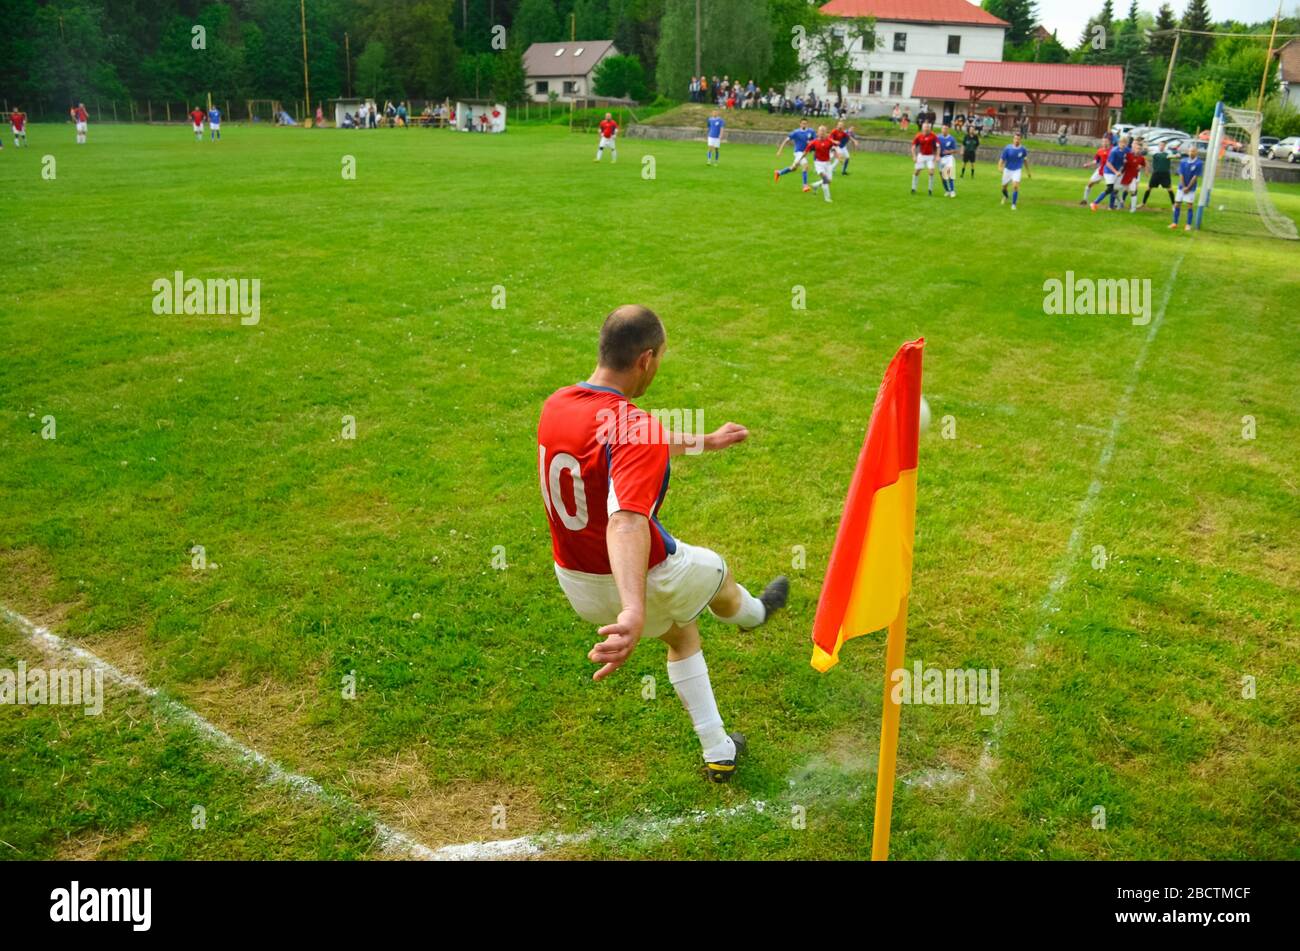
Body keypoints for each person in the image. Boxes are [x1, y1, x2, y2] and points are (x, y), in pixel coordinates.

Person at [537, 305, 789, 782]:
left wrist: (706, 442)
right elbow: (627, 522)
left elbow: (626, 440)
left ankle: (720, 750)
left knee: (677, 631)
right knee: (719, 577)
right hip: (639, 579)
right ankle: (755, 615)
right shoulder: (637, 428)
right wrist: (632, 610)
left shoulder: (558, 405)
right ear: (646, 360)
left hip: (575, 580)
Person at [1090, 135, 1130, 212]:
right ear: (1119, 142)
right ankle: (1094, 203)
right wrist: (1116, 172)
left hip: (1116, 172)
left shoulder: (1126, 149)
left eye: (1125, 143)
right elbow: (1108, 163)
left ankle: (1111, 206)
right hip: (1108, 172)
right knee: (1110, 189)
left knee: (1115, 189)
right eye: (1122, 142)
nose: (1124, 144)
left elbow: (1132, 152)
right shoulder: (1114, 151)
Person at [774, 118, 815, 191]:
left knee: (793, 168)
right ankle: (805, 186)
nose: (804, 125)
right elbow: (786, 140)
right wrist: (780, 150)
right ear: (800, 124)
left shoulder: (811, 131)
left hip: (805, 153)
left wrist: (812, 145)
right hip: (798, 152)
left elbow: (815, 141)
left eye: (805, 123)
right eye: (803, 123)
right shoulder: (796, 132)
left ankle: (778, 172)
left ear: (807, 124)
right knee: (805, 166)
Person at [1169, 144, 1203, 232]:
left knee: (1189, 205)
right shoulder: (1183, 161)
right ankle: (1174, 223)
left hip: (1191, 188)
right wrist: (1184, 186)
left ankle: (1188, 225)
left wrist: (1188, 187)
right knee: (1177, 204)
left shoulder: (1199, 163)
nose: (1191, 153)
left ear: (1196, 152)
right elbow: (1181, 174)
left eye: (1193, 151)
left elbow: (1195, 177)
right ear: (1188, 152)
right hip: (1181, 187)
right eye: (1190, 151)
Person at [998, 131, 1031, 210]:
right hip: (1007, 170)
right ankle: (1005, 196)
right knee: (1003, 188)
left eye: (1018, 139)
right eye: (1015, 138)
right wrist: (999, 167)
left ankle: (1013, 204)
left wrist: (1028, 171)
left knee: (1015, 186)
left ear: (1020, 140)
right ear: (1013, 139)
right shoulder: (1007, 148)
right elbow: (1002, 159)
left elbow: (1025, 161)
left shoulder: (1023, 149)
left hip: (1017, 170)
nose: (1017, 140)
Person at [807, 125, 838, 203]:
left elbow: (834, 148)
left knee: (829, 180)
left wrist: (838, 155)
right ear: (817, 132)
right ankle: (827, 198)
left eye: (824, 131)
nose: (822, 132)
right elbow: (806, 151)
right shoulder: (814, 142)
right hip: (818, 163)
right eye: (820, 131)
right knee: (825, 179)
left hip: (828, 163)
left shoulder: (829, 141)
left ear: (826, 133)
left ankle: (815, 185)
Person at [1142, 140, 1177, 209]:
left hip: (1165, 174)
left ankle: (1174, 205)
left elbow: (1175, 154)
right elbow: (1145, 152)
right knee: (1149, 188)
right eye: (1160, 145)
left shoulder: (1168, 153)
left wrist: (1176, 155)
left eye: (1163, 145)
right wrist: (1145, 146)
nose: (1161, 146)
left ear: (1165, 146)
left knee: (1169, 189)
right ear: (1158, 146)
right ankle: (1143, 203)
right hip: (1156, 173)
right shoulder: (1155, 152)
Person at [1081, 133, 1113, 205]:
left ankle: (1118, 203)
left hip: (1109, 172)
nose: (1104, 143)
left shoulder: (1113, 150)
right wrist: (1088, 164)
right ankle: (1084, 200)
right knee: (1089, 184)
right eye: (1103, 141)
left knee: (1112, 189)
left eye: (1106, 141)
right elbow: (1096, 161)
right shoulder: (1100, 151)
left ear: (1109, 142)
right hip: (1100, 171)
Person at [911, 120, 939, 196]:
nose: (926, 128)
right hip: (921, 156)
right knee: (916, 171)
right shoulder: (918, 136)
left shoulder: (933, 136)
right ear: (922, 128)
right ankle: (913, 188)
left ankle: (930, 190)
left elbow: (938, 146)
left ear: (930, 128)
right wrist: (914, 156)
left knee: (931, 172)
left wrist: (937, 156)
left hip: (930, 156)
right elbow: (913, 147)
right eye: (925, 127)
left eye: (928, 127)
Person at [1120, 138, 1147, 213]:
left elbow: (1143, 165)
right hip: (1124, 175)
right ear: (1133, 148)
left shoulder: (1141, 158)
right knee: (1117, 190)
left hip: (1133, 177)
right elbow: (1122, 162)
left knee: (1133, 191)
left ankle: (1133, 208)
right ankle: (1120, 202)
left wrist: (1141, 167)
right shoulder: (1128, 155)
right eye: (1137, 148)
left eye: (1139, 149)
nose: (1138, 150)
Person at [936, 122, 959, 197]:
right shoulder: (938, 137)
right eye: (943, 128)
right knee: (943, 176)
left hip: (949, 158)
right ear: (941, 129)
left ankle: (952, 191)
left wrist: (949, 151)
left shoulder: (951, 139)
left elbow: (955, 150)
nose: (944, 130)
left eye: (946, 128)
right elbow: (935, 147)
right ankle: (947, 190)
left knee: (949, 173)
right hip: (940, 159)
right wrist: (936, 156)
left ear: (948, 129)